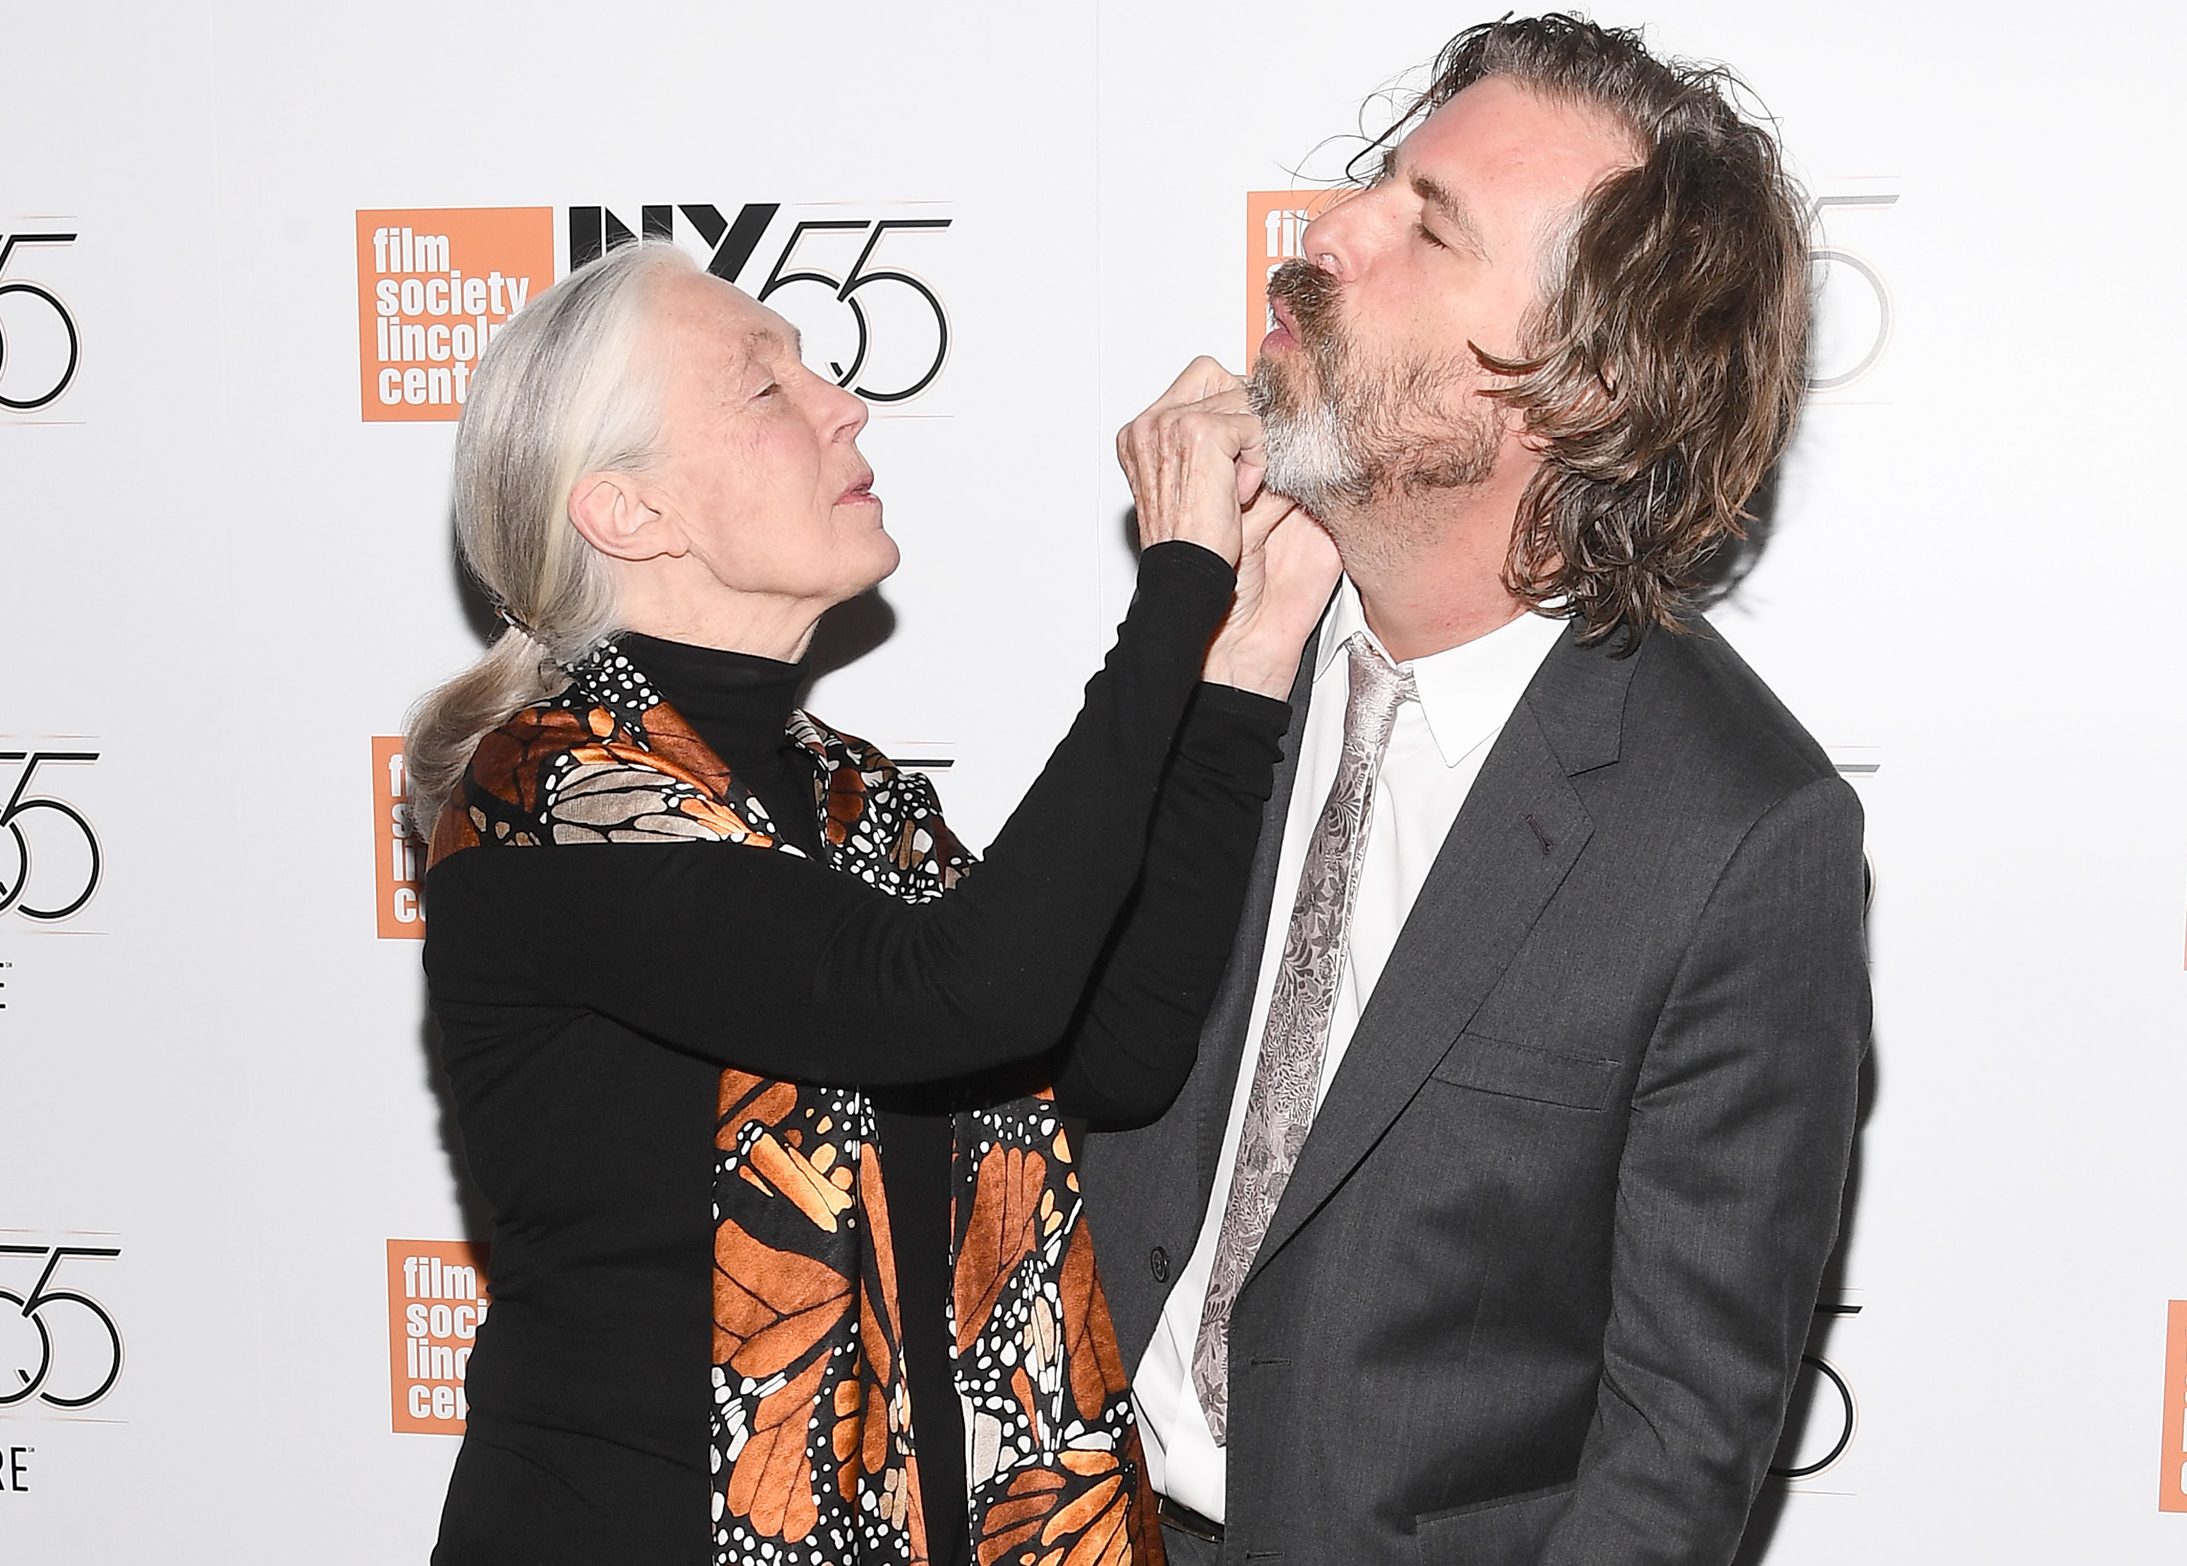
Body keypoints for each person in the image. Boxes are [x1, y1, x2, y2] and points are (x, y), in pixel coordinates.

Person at [407, 241, 1338, 1565]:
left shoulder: (856, 807)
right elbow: (959, 993)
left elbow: (1117, 1053)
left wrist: (1242, 659)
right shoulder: (544, 804)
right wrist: (1177, 580)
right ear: (628, 511)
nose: (840, 398)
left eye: (813, 363)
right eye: (763, 386)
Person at [1082, 15, 1872, 1565]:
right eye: (1378, 182)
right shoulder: (1216, 651)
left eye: (1425, 224)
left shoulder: (1732, 834)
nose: (1326, 232)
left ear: (1575, 385)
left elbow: (1674, 1460)